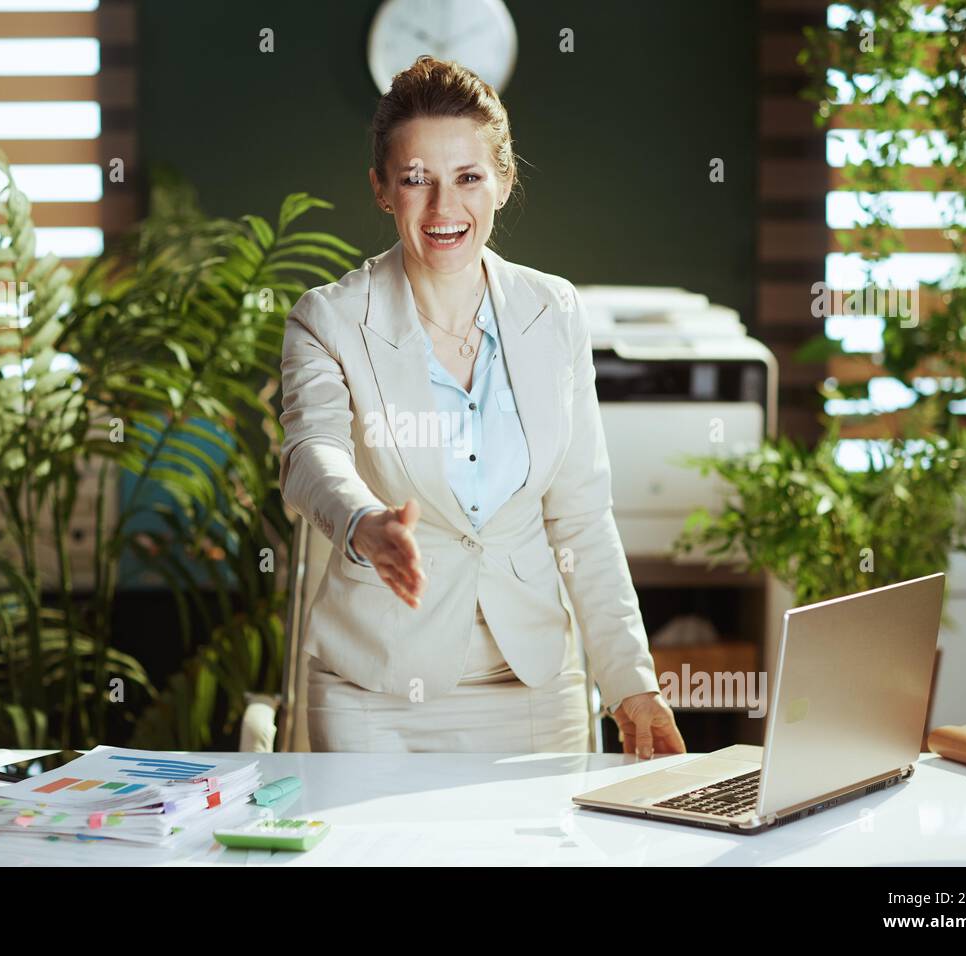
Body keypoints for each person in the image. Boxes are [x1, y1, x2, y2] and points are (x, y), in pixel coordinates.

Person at [279, 55, 685, 757]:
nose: (444, 209)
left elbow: (582, 517)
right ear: (382, 189)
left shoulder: (552, 311)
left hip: (534, 691)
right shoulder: (329, 319)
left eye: (468, 177)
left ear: (502, 182)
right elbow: (310, 454)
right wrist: (363, 522)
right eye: (416, 180)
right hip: (376, 696)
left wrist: (630, 682)